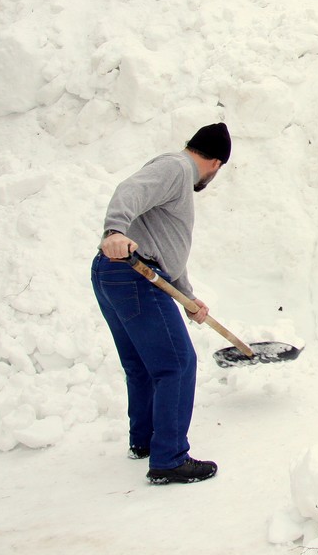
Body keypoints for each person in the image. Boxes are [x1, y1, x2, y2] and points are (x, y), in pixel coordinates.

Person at [91, 122, 231, 485]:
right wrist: (114, 230)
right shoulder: (177, 168)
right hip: (135, 275)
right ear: (215, 163)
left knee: (141, 363)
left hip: (117, 274)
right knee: (178, 364)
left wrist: (187, 296)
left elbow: (166, 246)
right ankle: (169, 458)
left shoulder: (177, 176)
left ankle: (145, 441)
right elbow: (130, 190)